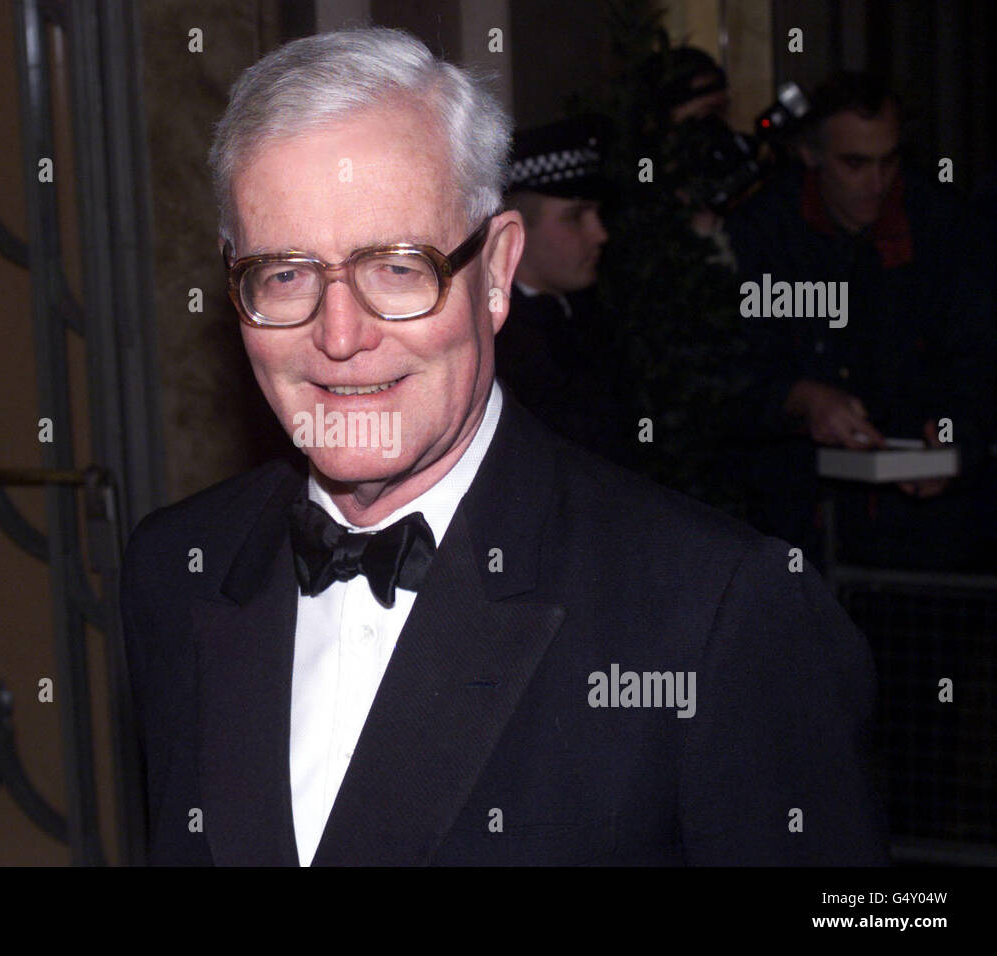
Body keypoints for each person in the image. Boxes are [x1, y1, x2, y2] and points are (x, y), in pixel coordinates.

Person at [121, 27, 889, 866]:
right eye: (285, 275)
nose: (338, 337)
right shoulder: (178, 567)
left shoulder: (717, 613)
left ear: (495, 274)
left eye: (398, 268)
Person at [727, 72, 995, 572]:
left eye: (888, 160)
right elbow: (730, 366)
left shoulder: (944, 228)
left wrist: (957, 437)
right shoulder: (763, 232)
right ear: (811, 155)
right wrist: (800, 396)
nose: (877, 183)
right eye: (855, 163)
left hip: (930, 535)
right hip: (801, 520)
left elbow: (978, 358)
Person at [496, 116, 636, 466]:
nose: (600, 234)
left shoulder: (596, 314)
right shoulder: (498, 350)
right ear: (516, 232)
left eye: (598, 215)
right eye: (576, 217)